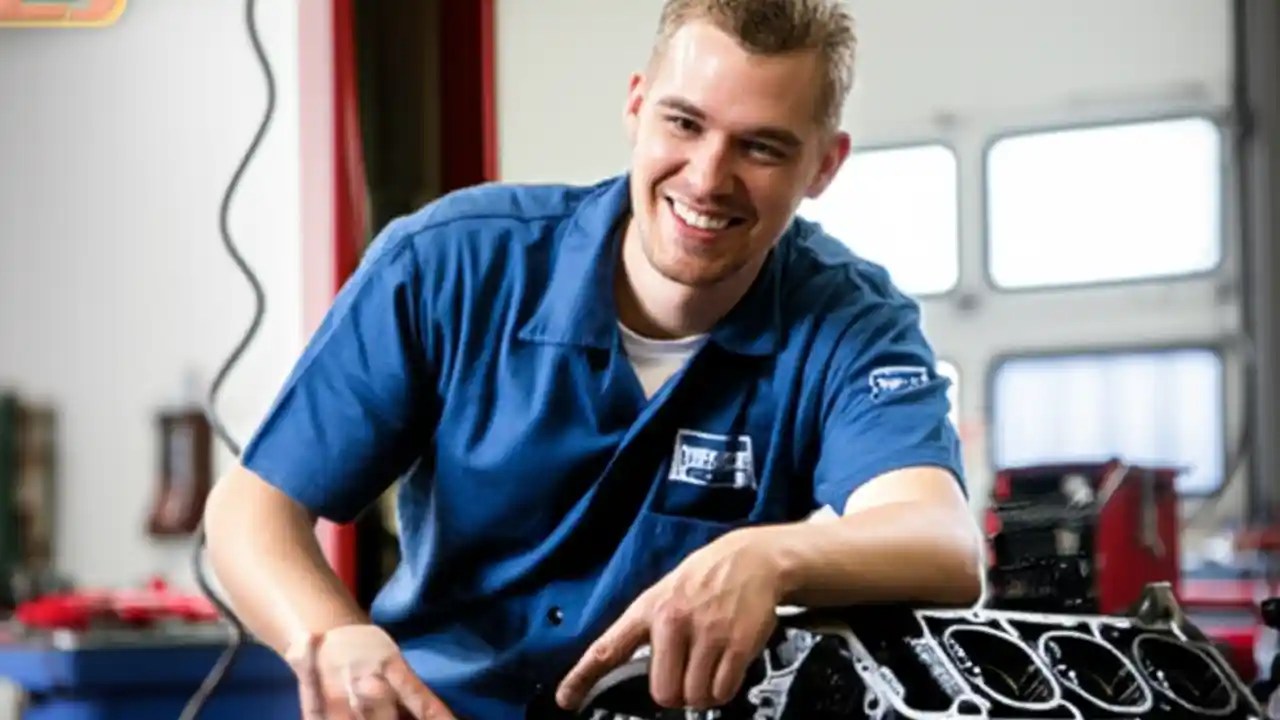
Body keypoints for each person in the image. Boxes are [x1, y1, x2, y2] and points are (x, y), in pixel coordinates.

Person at [203, 0, 984, 717]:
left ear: (823, 166)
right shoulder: (450, 266)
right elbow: (249, 512)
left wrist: (769, 555)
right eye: (684, 123)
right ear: (638, 105)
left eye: (761, 147)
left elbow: (939, 541)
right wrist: (329, 635)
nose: (709, 178)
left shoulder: (849, 320)